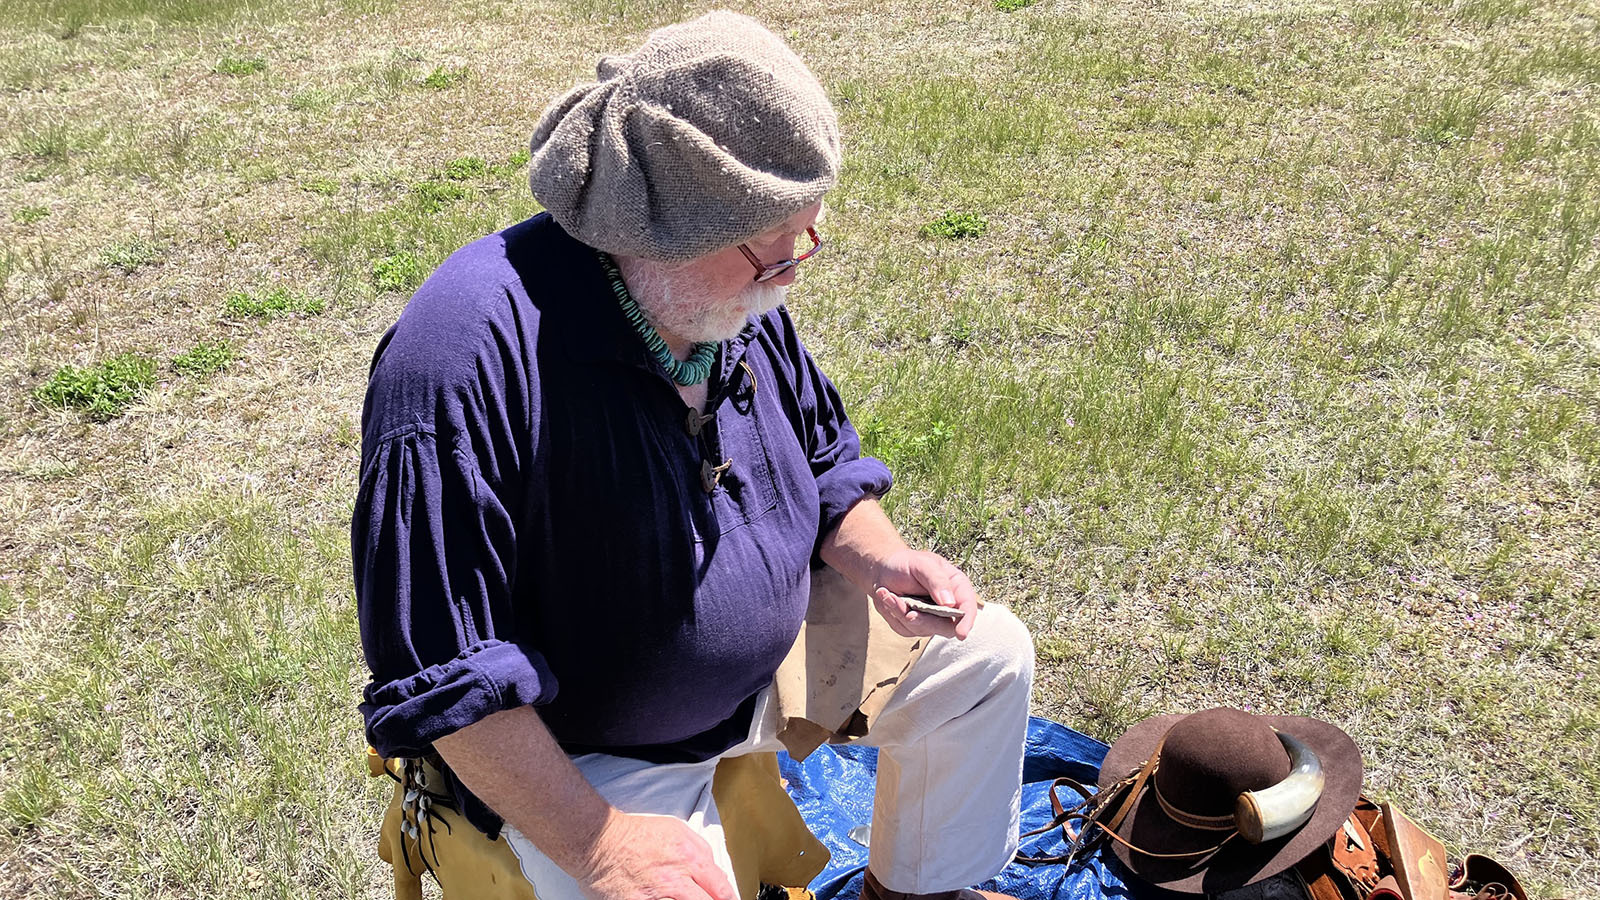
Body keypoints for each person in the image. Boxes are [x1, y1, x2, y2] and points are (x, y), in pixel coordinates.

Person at [351, 11, 1035, 900]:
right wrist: (600, 845)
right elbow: (443, 674)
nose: (794, 268)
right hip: (586, 761)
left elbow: (826, 461)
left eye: (807, 230)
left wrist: (881, 555)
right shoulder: (460, 359)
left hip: (767, 671)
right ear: (651, 234)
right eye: (769, 246)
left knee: (985, 660)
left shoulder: (726, 302)